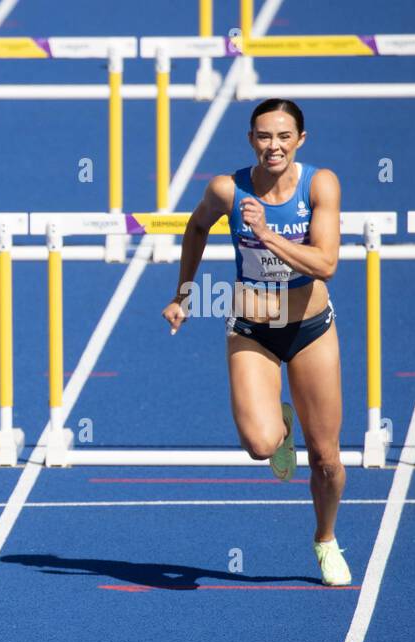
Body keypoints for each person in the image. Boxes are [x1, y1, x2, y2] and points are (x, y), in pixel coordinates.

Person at [162, 98, 351, 587]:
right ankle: (280, 427)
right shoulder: (227, 189)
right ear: (251, 140)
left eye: (284, 136)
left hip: (311, 329)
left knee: (327, 460)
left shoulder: (320, 184)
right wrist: (183, 294)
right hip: (251, 328)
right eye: (265, 136)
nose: (274, 146)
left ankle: (325, 538)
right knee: (259, 444)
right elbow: (197, 226)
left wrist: (268, 235)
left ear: (300, 141)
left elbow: (326, 264)